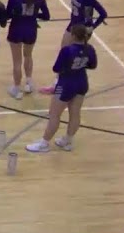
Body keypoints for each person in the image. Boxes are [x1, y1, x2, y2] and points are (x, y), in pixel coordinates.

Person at [26, 24, 97, 153]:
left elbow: (56, 68)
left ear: (73, 35)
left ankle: (44, 143)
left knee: (54, 114)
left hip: (66, 84)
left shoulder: (67, 50)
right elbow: (93, 65)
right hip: (82, 82)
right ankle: (68, 141)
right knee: (75, 113)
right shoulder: (90, 49)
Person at [5, 0, 50, 99]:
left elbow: (8, 15)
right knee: (28, 56)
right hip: (31, 29)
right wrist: (35, 15)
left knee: (17, 61)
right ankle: (29, 83)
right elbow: (47, 16)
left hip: (16, 29)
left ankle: (17, 89)